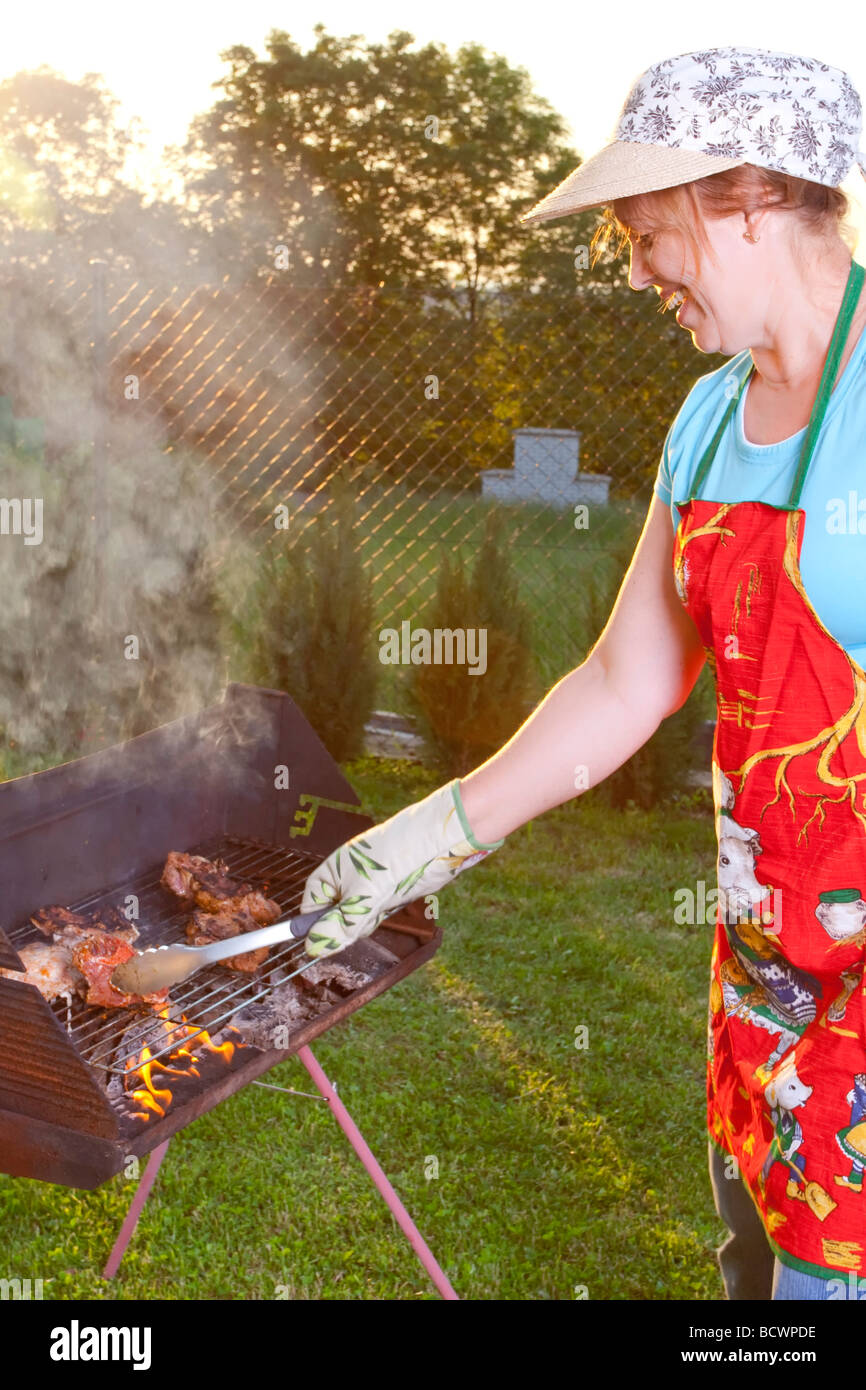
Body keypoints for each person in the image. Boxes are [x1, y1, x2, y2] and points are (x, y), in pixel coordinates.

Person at [300, 46, 866, 1301]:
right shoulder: (708, 418)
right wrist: (433, 832)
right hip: (758, 982)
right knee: (755, 1282)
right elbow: (625, 678)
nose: (633, 271)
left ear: (749, 198)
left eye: (646, 231)